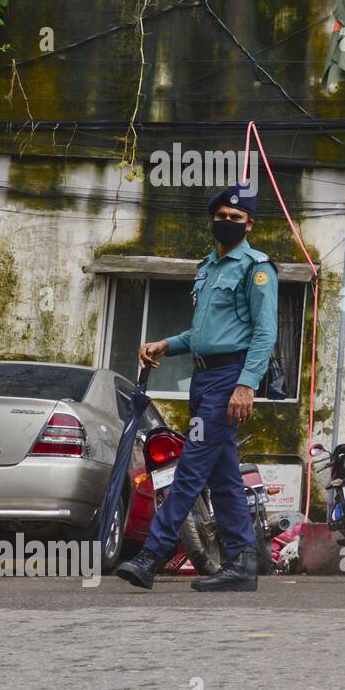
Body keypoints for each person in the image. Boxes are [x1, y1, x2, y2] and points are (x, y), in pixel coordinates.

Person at [117, 182, 278, 592]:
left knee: (189, 467)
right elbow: (203, 334)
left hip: (228, 380)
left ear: (250, 224)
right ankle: (242, 564)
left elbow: (264, 333)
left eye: (236, 218)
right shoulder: (207, 269)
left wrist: (246, 385)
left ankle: (152, 556)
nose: (227, 223)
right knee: (222, 475)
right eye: (221, 217)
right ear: (212, 220)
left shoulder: (256, 267)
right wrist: (166, 345)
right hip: (203, 379)